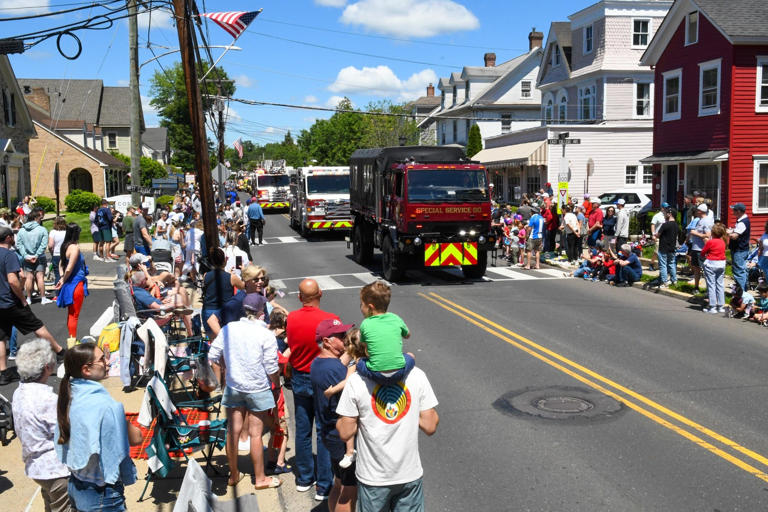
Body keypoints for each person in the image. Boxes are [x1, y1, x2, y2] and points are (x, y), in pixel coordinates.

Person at [336, 363, 439, 512]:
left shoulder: (356, 380)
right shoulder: (416, 375)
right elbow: (430, 426)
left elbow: (345, 433)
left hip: (373, 477)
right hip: (409, 473)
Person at [209, 293, 282, 490]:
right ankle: (260, 478)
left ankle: (233, 475)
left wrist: (227, 368)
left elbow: (213, 354)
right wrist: (276, 385)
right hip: (258, 387)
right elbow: (271, 367)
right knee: (256, 434)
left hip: (234, 386)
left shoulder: (229, 329)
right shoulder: (266, 334)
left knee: (233, 430)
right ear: (261, 313)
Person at [56, 342, 142, 511]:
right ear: (86, 369)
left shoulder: (68, 396)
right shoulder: (106, 406)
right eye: (102, 359)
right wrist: (121, 420)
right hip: (101, 494)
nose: (108, 362)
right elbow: (136, 438)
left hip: (76, 485)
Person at [286, 278, 338, 500]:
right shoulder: (331, 319)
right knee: (324, 430)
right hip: (323, 378)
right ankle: (324, 485)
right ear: (320, 294)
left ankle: (305, 477)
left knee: (303, 429)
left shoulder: (291, 318)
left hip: (300, 376)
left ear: (299, 297)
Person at [13, 339, 72, 512]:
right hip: (55, 468)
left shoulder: (19, 392)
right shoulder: (47, 399)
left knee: (50, 503)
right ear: (47, 367)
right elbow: (66, 430)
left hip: (36, 466)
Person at [0, 226, 63, 386]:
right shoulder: (9, 255)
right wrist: (22, 298)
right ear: (8, 238)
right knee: (36, 325)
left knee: (1, 336)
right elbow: (13, 280)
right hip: (11, 301)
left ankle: (3, 372)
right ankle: (60, 351)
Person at [310, 319, 358, 512]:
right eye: (340, 335)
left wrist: (350, 353)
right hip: (340, 435)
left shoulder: (319, 363)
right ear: (327, 341)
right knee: (349, 489)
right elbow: (351, 383)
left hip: (329, 433)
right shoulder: (335, 369)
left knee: (338, 483)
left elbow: (340, 363)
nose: (344, 338)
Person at [357, 281, 413, 382]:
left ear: (370, 308)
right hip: (398, 373)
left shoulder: (365, 324)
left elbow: (366, 348)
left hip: (377, 374)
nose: (360, 308)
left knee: (359, 361)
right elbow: (408, 335)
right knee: (410, 356)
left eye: (361, 304)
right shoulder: (395, 318)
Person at [55, 223, 89, 345]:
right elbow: (69, 268)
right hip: (76, 284)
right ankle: (72, 342)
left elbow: (61, 263)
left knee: (71, 314)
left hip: (69, 284)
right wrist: (63, 279)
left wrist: (61, 278)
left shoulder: (65, 246)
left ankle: (72, 339)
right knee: (74, 315)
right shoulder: (74, 248)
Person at [201, 248, 244, 338]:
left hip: (207, 311)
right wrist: (243, 272)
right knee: (226, 341)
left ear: (212, 261)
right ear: (225, 260)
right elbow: (244, 287)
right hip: (222, 313)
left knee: (214, 341)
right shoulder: (232, 277)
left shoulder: (206, 275)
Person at [17, 208, 52, 305]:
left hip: (27, 257)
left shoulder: (22, 230)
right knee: (40, 277)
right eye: (40, 218)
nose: (41, 219)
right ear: (36, 218)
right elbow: (43, 245)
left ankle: (28, 298)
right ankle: (43, 298)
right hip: (39, 257)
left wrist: (25, 255)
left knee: (29, 278)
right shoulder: (42, 229)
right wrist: (36, 255)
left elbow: (19, 244)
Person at [701, 223, 727, 313]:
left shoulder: (710, 242)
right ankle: (721, 306)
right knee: (720, 284)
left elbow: (703, 252)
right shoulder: (723, 242)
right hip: (721, 264)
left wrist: (704, 255)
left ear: (713, 233)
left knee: (711, 285)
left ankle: (712, 306)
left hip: (711, 263)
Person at [689, 203, 713, 293]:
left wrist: (695, 233)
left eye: (697, 210)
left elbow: (708, 235)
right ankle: (696, 287)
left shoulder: (706, 221)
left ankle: (708, 291)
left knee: (705, 270)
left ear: (700, 211)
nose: (695, 211)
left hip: (701, 249)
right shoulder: (700, 220)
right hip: (696, 248)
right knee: (696, 268)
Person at [727, 203, 750, 292]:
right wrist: (732, 230)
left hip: (739, 250)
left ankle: (741, 292)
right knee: (742, 269)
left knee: (739, 271)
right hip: (742, 249)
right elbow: (738, 231)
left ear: (739, 211)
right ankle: (743, 289)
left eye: (734, 210)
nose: (733, 211)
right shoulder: (742, 220)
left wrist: (726, 233)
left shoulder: (742, 223)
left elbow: (735, 236)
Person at [656, 208, 680, 288]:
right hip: (672, 248)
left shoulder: (665, 225)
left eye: (666, 213)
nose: (665, 215)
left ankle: (664, 282)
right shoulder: (676, 225)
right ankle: (674, 280)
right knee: (671, 264)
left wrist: (654, 235)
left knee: (663, 265)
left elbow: (658, 235)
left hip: (663, 247)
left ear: (670, 214)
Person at [649, 203, 669, 271]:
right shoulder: (657, 216)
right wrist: (653, 234)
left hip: (666, 236)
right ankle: (652, 263)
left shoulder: (668, 215)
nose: (667, 209)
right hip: (658, 236)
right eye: (666, 208)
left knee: (665, 252)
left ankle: (663, 266)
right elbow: (653, 225)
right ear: (662, 208)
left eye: (667, 207)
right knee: (656, 251)